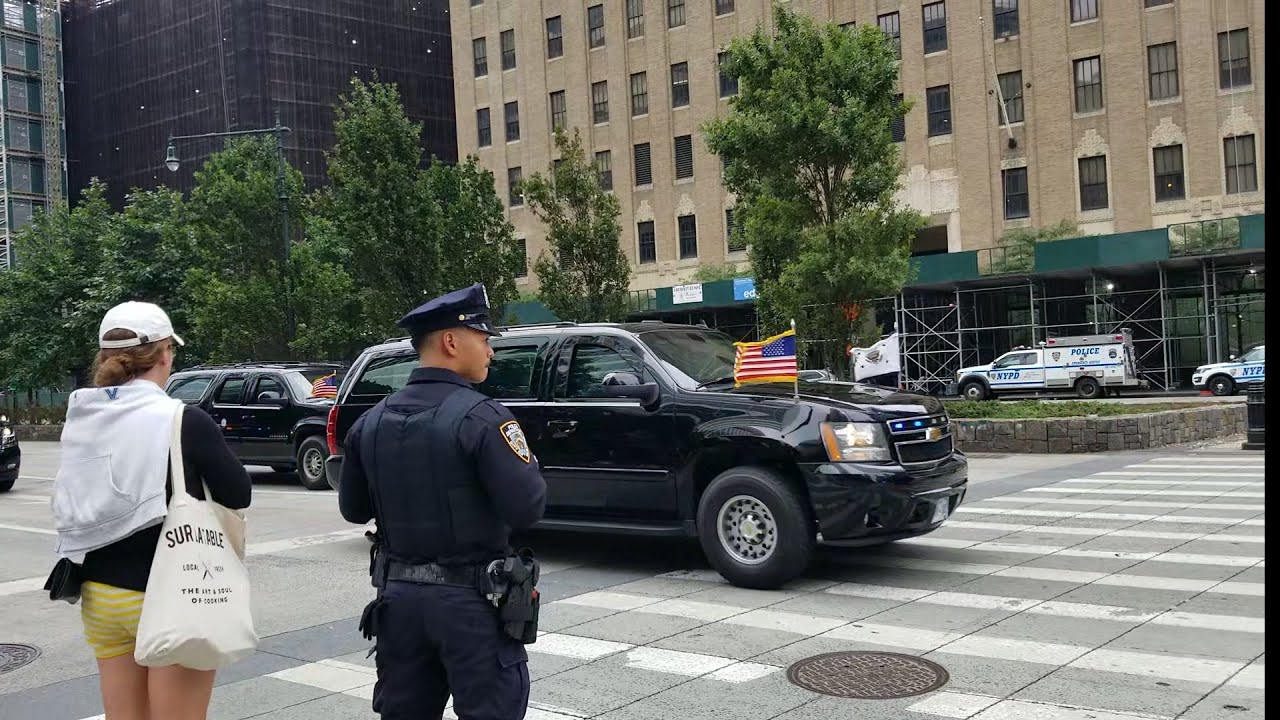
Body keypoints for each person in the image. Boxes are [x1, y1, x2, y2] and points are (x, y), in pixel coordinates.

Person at [338, 283, 547, 720]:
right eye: (484, 338)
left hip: (399, 605)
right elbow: (526, 508)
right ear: (452, 342)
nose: (490, 350)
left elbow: (354, 510)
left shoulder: (370, 422)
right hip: (471, 607)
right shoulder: (484, 418)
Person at [49, 301, 252, 720]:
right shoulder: (181, 420)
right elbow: (238, 491)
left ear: (106, 359)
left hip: (100, 597)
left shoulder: (83, 415)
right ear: (165, 355)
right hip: (167, 593)